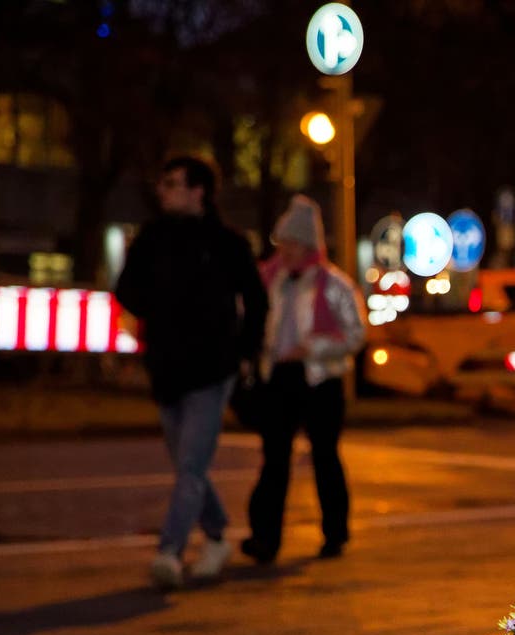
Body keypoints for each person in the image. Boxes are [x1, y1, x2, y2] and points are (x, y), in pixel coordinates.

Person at [115, 156, 267, 590]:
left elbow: (256, 300)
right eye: (162, 183)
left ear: (198, 190)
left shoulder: (226, 243)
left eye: (173, 183)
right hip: (166, 368)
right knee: (189, 464)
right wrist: (159, 312)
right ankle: (217, 534)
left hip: (212, 369)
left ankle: (169, 551)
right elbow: (126, 289)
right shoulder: (153, 238)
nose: (163, 191)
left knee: (190, 466)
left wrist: (244, 352)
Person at [239, 195, 366, 564]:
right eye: (284, 243)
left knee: (325, 456)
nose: (288, 251)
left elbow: (355, 334)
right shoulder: (269, 281)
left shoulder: (334, 285)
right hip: (278, 378)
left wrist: (312, 348)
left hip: (320, 381)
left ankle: (334, 533)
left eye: (294, 244)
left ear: (309, 246)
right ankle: (265, 538)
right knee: (274, 459)